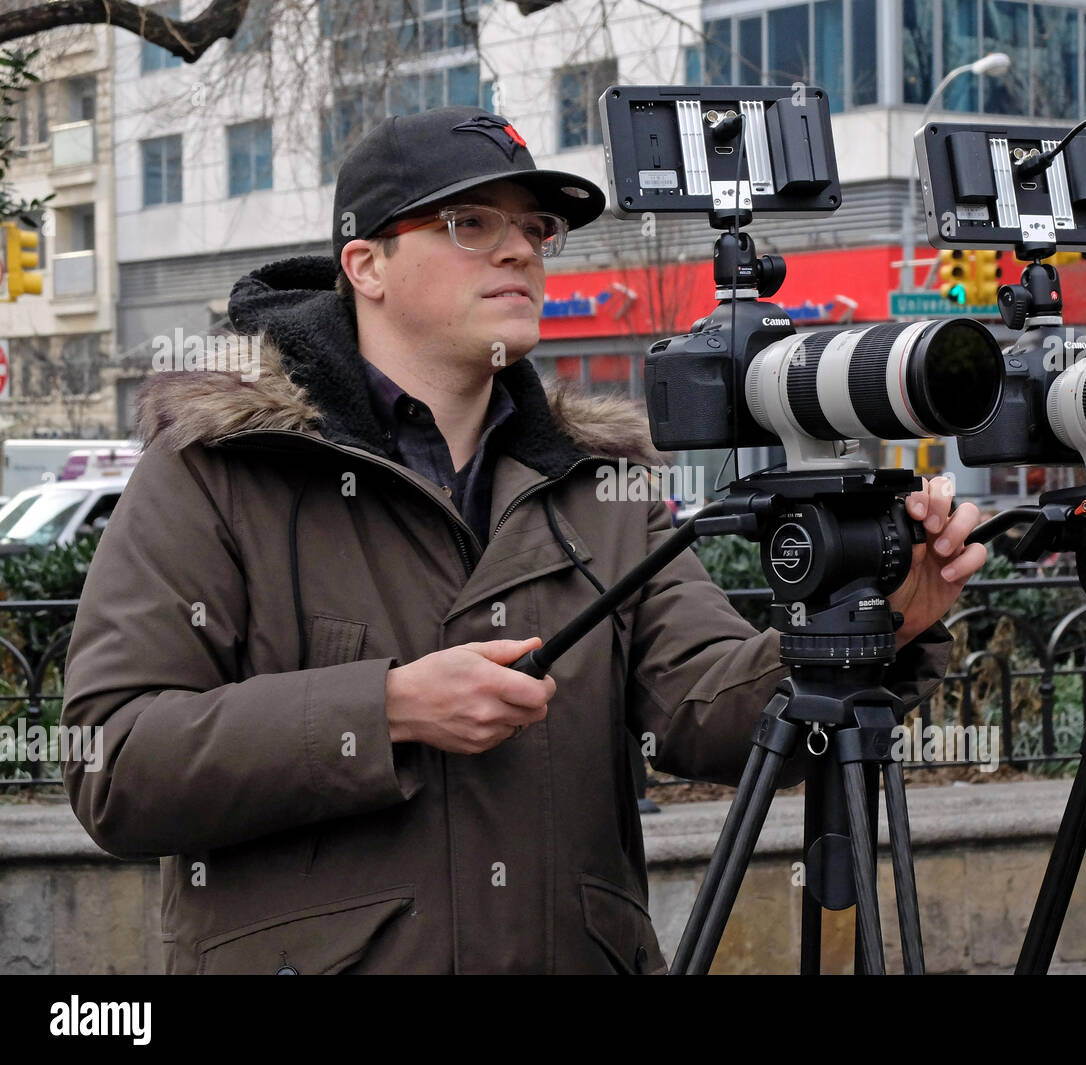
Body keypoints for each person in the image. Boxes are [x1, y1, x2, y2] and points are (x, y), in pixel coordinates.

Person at [60, 106, 987, 974]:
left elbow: (704, 710)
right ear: (366, 264)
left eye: (536, 229)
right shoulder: (222, 466)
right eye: (470, 223)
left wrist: (884, 623)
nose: (520, 249)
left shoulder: (601, 482)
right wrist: (383, 710)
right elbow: (115, 760)